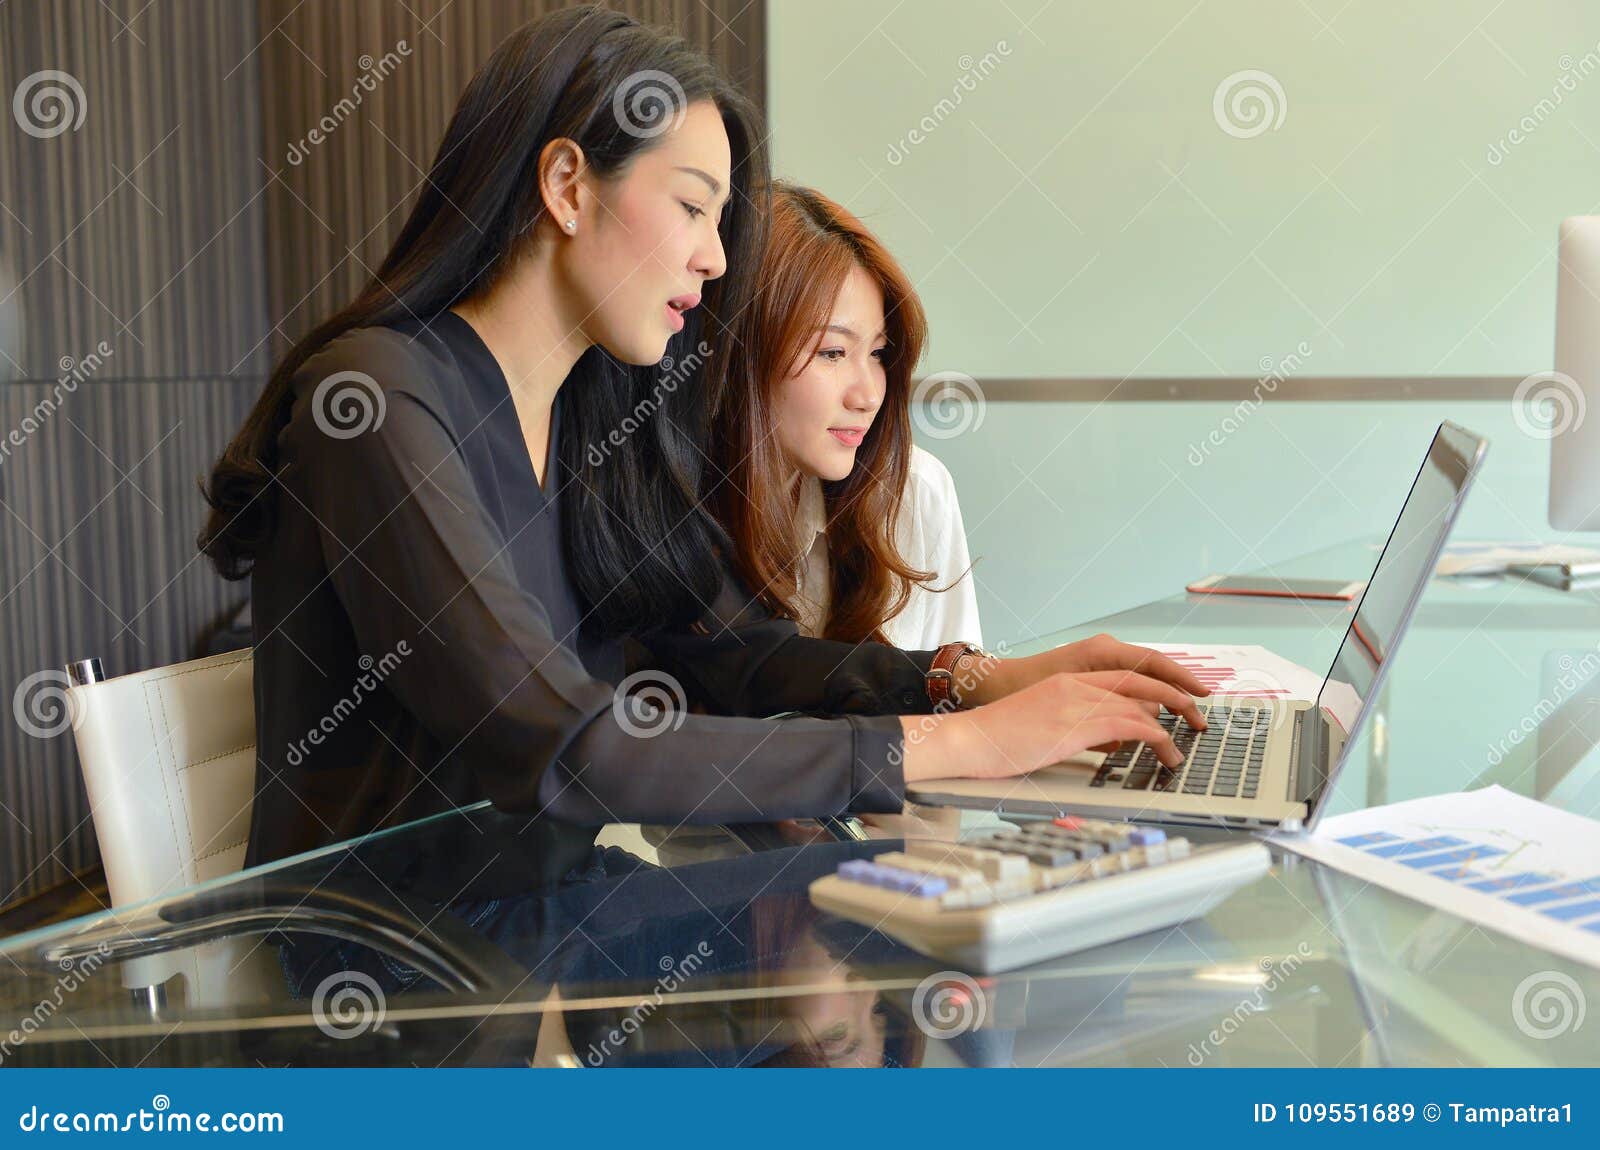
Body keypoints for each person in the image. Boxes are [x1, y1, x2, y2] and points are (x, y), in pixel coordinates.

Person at [198, 6, 1207, 882]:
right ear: (566, 184)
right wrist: (963, 744)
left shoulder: (589, 408)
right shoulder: (376, 399)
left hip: (553, 934)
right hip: (389, 983)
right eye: (690, 208)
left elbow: (731, 657)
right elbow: (564, 744)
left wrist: (971, 681)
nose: (715, 259)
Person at [709, 181, 981, 652]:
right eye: (833, 352)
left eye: (878, 353)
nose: (869, 396)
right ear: (741, 352)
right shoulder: (660, 510)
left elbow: (959, 686)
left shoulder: (912, 490)